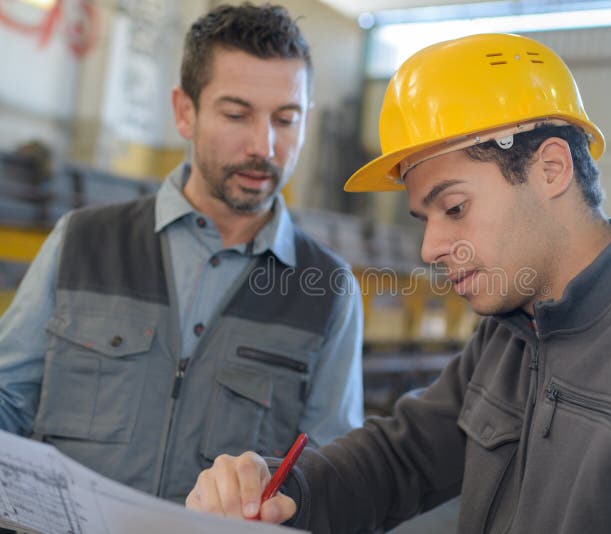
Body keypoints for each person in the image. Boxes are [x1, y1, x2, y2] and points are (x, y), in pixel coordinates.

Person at [186, 33, 611, 532]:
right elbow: (399, 459)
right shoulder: (513, 334)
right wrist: (278, 487)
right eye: (424, 218)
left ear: (551, 168)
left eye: (454, 208)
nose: (430, 248)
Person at [0, 3, 364, 502]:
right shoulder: (82, 242)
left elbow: (330, 474)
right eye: (237, 114)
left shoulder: (327, 290)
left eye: (285, 118)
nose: (265, 145)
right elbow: (7, 400)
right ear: (184, 112)